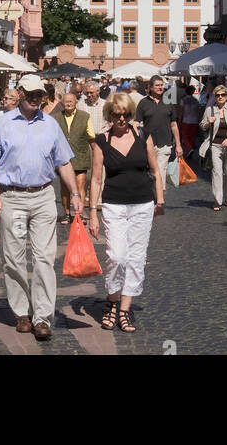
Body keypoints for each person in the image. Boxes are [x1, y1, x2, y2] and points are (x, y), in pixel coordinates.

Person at [0, 72, 83, 341]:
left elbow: (64, 162)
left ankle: (42, 317)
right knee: (13, 258)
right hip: (12, 198)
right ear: (21, 94)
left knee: (44, 258)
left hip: (43, 197)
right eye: (33, 94)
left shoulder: (50, 124)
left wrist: (74, 192)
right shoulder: (3, 124)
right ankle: (22, 312)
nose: (38, 98)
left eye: (41, 94)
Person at [88, 91, 164, 333]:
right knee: (116, 256)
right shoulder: (102, 140)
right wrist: (92, 211)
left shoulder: (142, 134)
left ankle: (124, 309)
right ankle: (112, 301)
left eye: (125, 115)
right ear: (110, 115)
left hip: (142, 204)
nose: (121, 119)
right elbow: (96, 179)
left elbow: (155, 170)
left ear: (130, 114)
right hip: (114, 205)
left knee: (135, 258)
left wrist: (159, 200)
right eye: (116, 115)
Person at [135, 76, 182, 202]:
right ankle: (152, 197)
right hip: (147, 145)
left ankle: (159, 200)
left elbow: (174, 125)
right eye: (157, 85)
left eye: (162, 85)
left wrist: (178, 144)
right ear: (150, 87)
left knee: (160, 172)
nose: (161, 87)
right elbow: (136, 122)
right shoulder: (143, 103)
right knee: (150, 172)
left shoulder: (169, 102)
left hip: (165, 143)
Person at [51, 90, 94, 224]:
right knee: (64, 187)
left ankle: (78, 214)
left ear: (76, 102)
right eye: (66, 101)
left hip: (80, 155)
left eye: (71, 101)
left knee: (80, 185)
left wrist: (98, 154)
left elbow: (91, 137)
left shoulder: (85, 116)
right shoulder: (56, 117)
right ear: (62, 103)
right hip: (63, 158)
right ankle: (67, 214)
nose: (68, 103)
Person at [199, 85, 227, 210]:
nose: (220, 97)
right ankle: (217, 200)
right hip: (215, 146)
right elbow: (202, 126)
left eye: (222, 95)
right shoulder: (209, 110)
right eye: (217, 95)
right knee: (217, 172)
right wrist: (208, 122)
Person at [179, 83, 201, 159]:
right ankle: (190, 150)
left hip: (186, 120)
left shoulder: (183, 100)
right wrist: (199, 121)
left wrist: (179, 120)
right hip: (195, 121)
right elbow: (198, 112)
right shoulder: (196, 101)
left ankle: (189, 149)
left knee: (185, 136)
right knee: (192, 136)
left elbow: (181, 111)